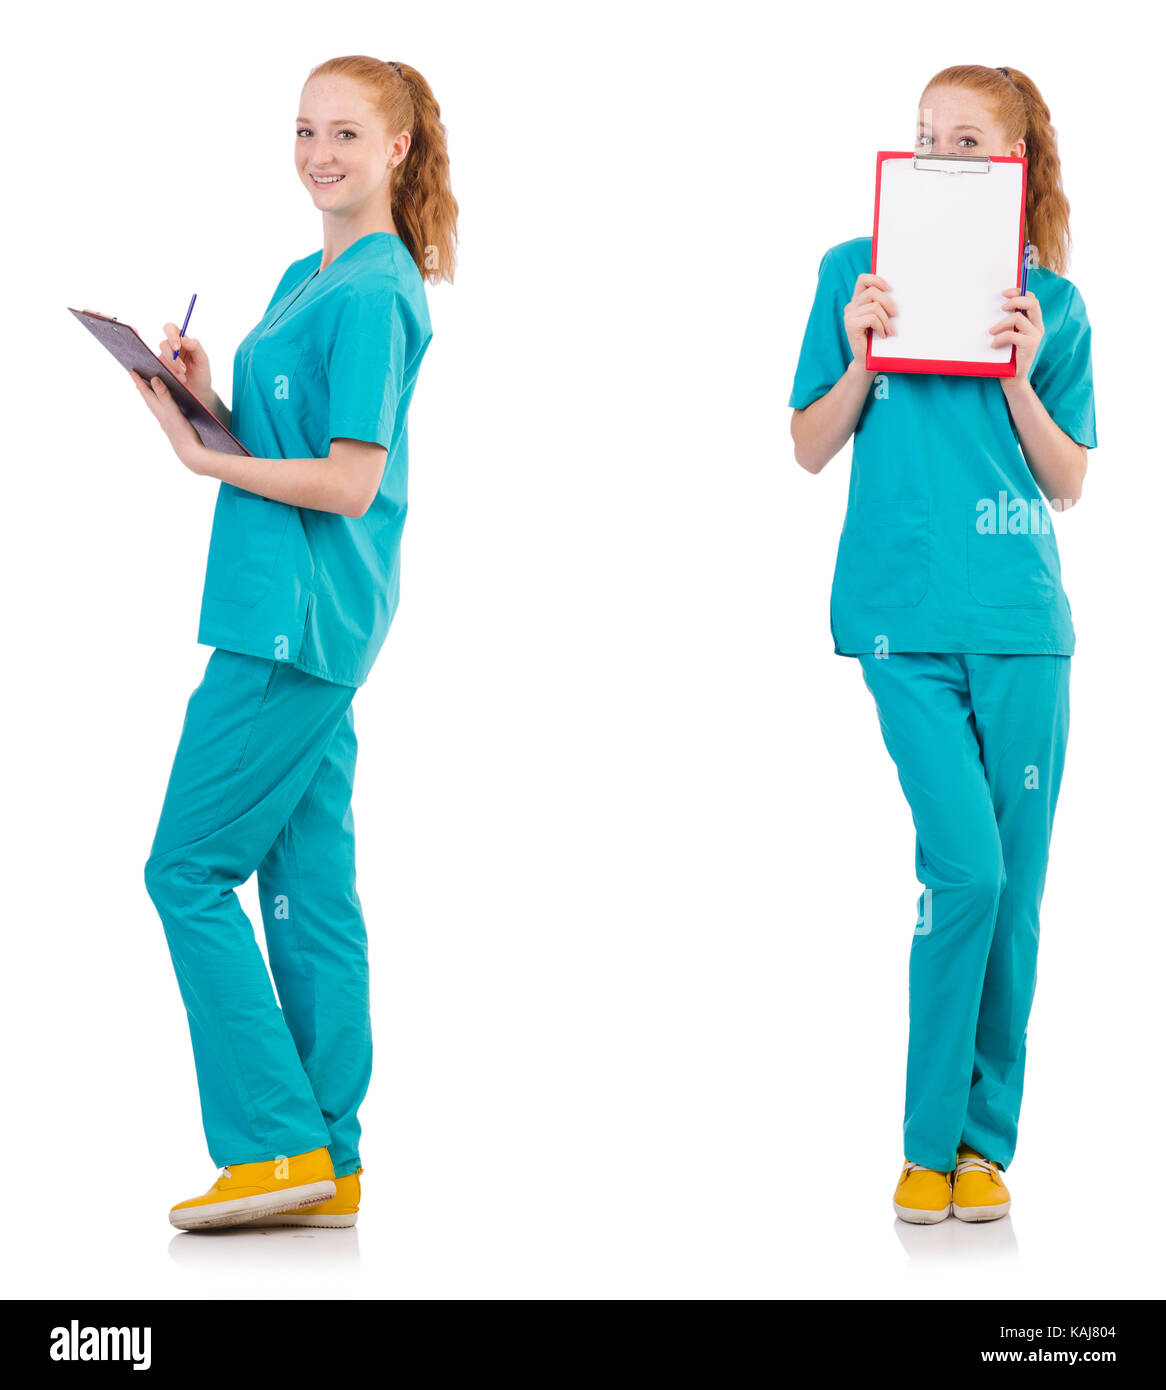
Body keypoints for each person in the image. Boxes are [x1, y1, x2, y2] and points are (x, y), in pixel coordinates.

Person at [133, 55, 458, 1231]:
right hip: (294, 615)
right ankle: (330, 1157)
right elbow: (290, 435)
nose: (320, 153)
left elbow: (348, 481)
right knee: (308, 883)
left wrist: (204, 459)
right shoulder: (303, 275)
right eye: (305, 130)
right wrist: (204, 395)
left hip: (293, 621)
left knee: (184, 869)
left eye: (346, 135)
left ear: (398, 150)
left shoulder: (376, 292)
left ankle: (273, 1143)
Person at [788, 66, 1096, 1224]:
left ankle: (982, 1144)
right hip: (897, 620)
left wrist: (1018, 377)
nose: (937, 155)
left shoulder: (1050, 302)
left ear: (1012, 163)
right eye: (923, 136)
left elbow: (1066, 480)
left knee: (1010, 893)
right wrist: (862, 355)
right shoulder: (847, 277)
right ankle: (925, 1143)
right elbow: (808, 447)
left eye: (964, 139)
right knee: (962, 867)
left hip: (1020, 626)